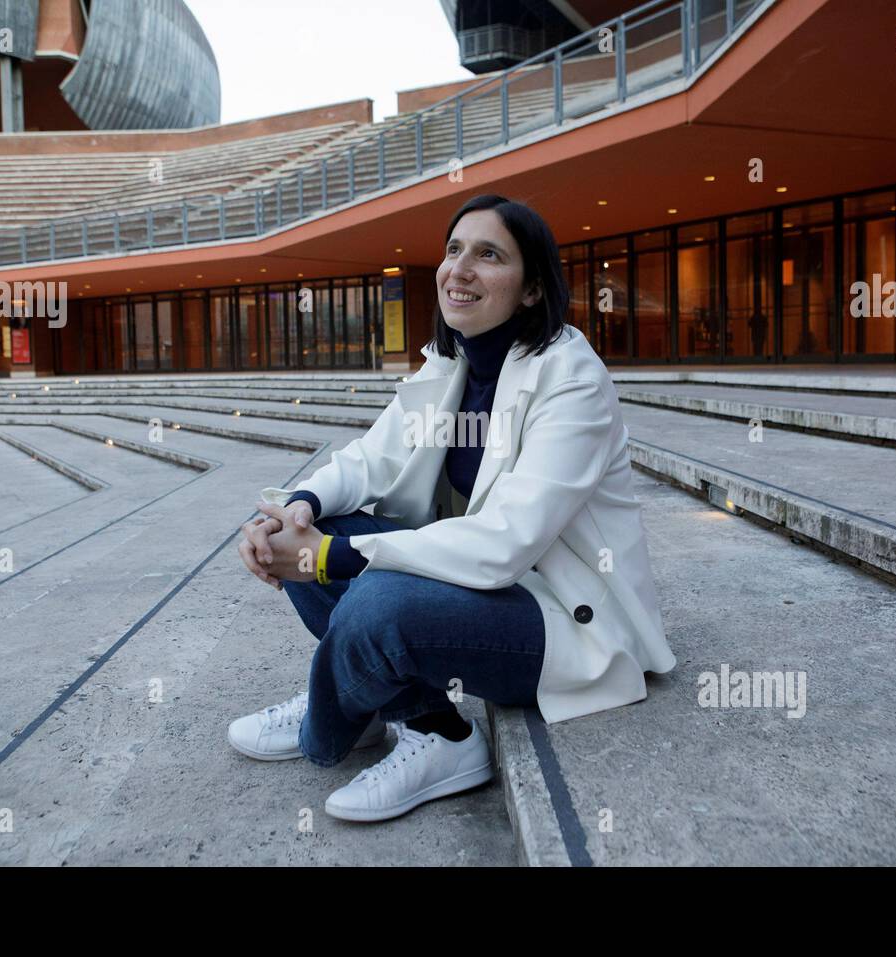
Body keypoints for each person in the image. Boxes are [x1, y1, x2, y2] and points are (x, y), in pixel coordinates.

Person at [233, 194, 676, 823]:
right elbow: (372, 458)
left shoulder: (573, 379)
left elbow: (506, 541)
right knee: (312, 530)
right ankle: (409, 722)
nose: (459, 268)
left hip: (556, 612)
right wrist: (299, 508)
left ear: (530, 290)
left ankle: (340, 722)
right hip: (481, 584)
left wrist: (333, 556)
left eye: (488, 254)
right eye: (453, 250)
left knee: (373, 599)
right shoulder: (453, 360)